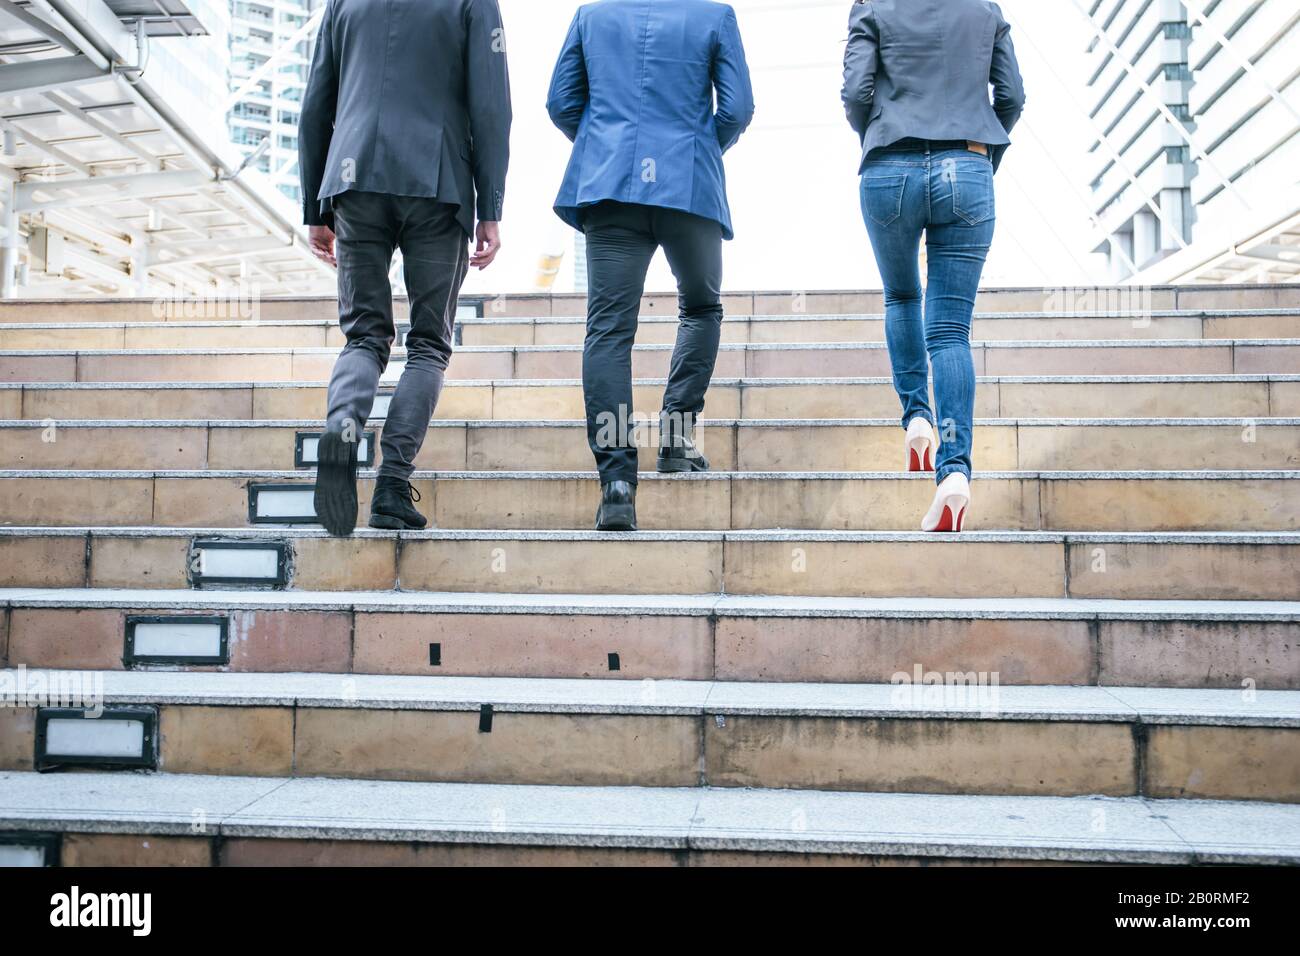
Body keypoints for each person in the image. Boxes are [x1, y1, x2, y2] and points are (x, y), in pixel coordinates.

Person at [299, 0, 512, 535]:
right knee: (428, 344)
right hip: (437, 183)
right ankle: (392, 485)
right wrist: (491, 208)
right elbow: (492, 108)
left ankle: (344, 422)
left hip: (354, 177)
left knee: (364, 336)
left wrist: (314, 209)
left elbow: (315, 106)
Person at [547, 0, 754, 532]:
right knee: (703, 308)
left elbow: (561, 102)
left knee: (609, 333)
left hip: (610, 188)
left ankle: (617, 483)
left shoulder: (591, 17)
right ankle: (676, 436)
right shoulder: (715, 17)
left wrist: (606, 145)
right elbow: (737, 109)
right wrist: (696, 149)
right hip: (689, 185)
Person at [842, 0, 1025, 532]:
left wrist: (878, 133)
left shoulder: (871, 6)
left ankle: (917, 417)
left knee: (902, 296)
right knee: (949, 333)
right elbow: (1011, 96)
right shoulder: (984, 9)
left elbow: (857, 92)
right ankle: (954, 473)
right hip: (966, 166)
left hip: (889, 166)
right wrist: (981, 155)